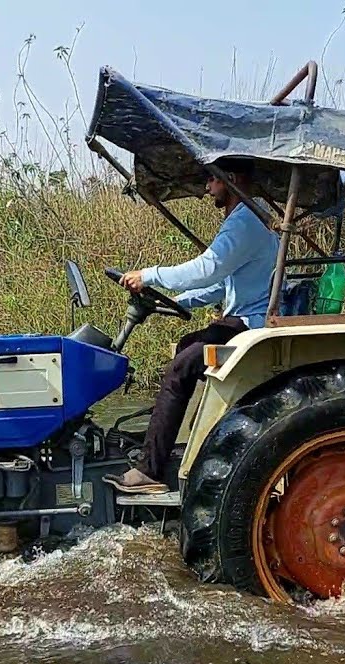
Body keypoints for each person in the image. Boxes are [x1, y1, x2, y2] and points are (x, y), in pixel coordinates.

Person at [104, 158, 279, 494]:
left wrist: (150, 275)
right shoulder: (249, 219)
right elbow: (221, 284)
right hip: (242, 319)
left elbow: (208, 268)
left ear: (229, 179)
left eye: (210, 180)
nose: (206, 187)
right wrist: (178, 302)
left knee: (180, 367)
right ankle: (173, 446)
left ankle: (149, 471)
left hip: (249, 324)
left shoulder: (245, 222)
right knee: (187, 348)